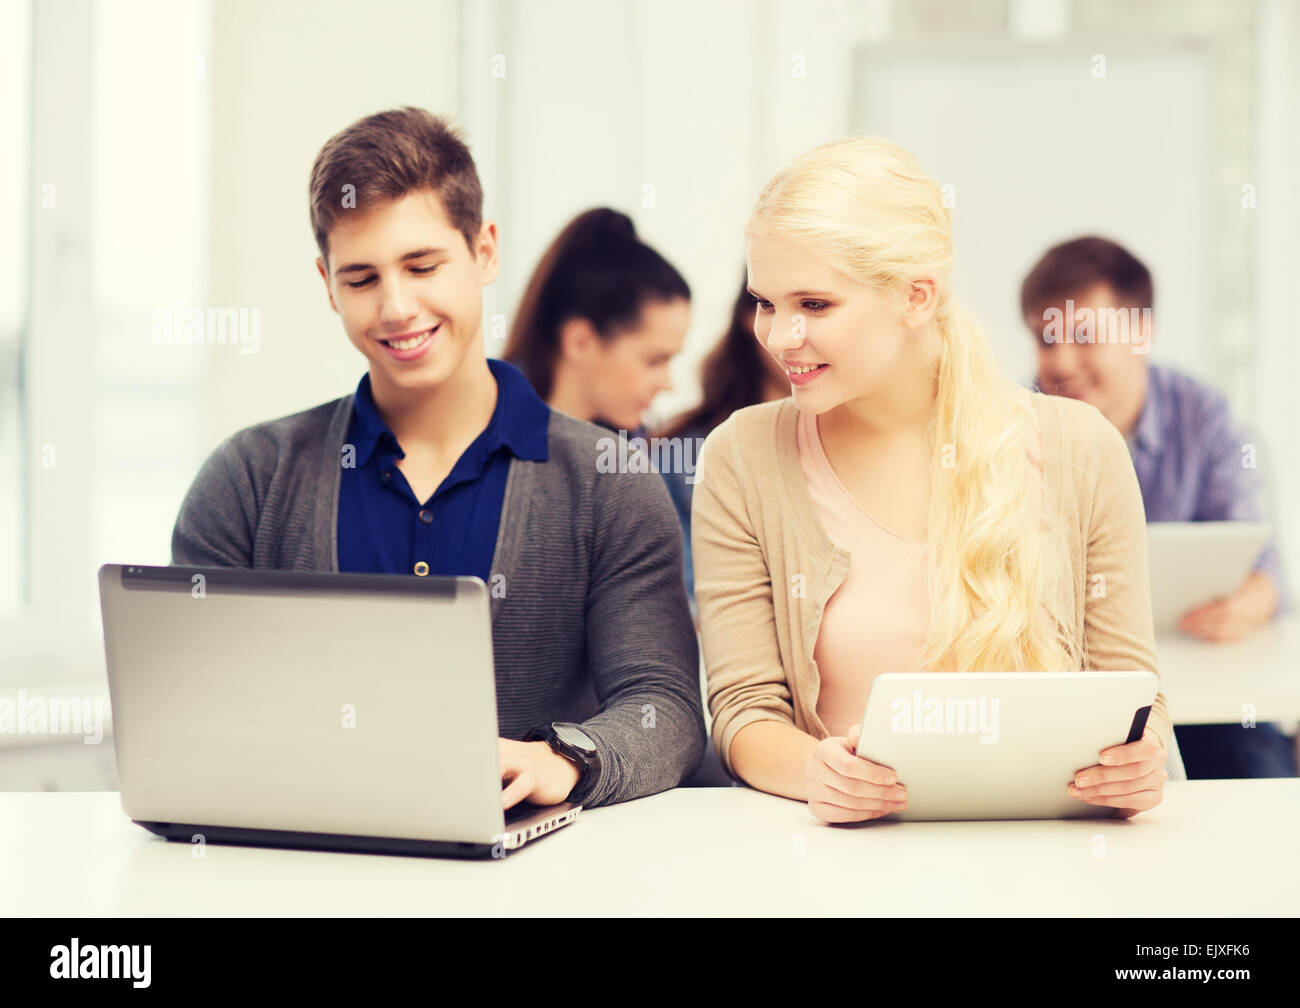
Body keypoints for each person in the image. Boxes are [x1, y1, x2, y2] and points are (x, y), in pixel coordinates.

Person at [170, 107, 705, 809]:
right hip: (307, 870)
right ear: (326, 282)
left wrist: (566, 760)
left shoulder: (609, 483)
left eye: (422, 265)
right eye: (360, 279)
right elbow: (187, 716)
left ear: (484, 250)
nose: (396, 307)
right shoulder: (249, 479)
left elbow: (663, 708)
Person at [693, 137, 1174, 823]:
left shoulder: (1081, 449)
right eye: (766, 303)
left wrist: (1141, 759)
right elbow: (744, 711)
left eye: (816, 304)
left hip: (1051, 854)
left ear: (917, 296)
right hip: (846, 855)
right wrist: (816, 772)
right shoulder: (741, 457)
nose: (780, 336)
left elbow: (1138, 694)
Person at [1021, 235, 1295, 778]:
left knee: (1258, 773)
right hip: (1074, 691)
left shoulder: (1205, 416)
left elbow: (1268, 570)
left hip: (1206, 680)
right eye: (1046, 339)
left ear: (1140, 334)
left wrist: (1250, 602)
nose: (1062, 361)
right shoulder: (1019, 421)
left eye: (1083, 337)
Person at [657, 274, 789, 610]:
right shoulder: (682, 453)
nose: (796, 334)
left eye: (819, 306)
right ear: (750, 317)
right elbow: (683, 600)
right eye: (770, 306)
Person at [504, 207, 690, 433]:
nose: (668, 385)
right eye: (654, 361)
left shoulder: (631, 450)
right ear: (579, 342)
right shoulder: (477, 433)